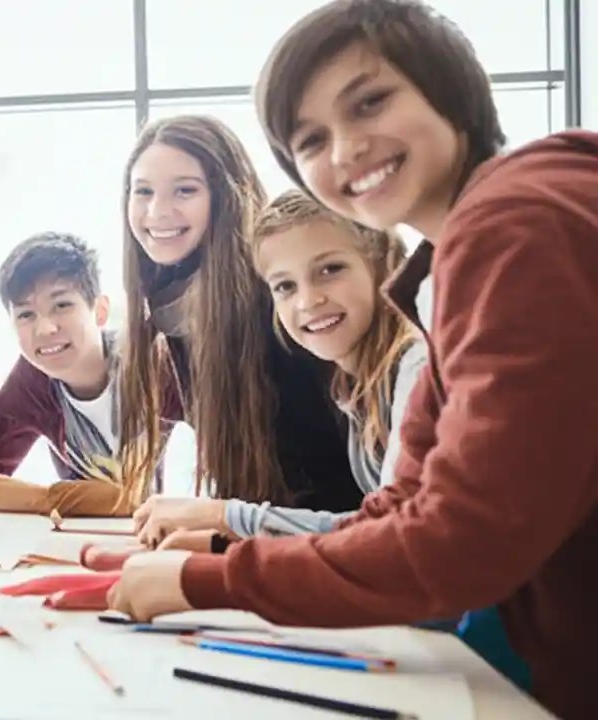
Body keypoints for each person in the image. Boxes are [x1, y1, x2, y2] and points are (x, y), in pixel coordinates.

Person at [108, 3, 597, 716]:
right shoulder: (447, 269)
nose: (344, 152)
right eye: (310, 140)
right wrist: (217, 552)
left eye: (370, 103)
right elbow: (400, 507)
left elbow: (459, 541)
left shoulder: (517, 224)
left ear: (451, 90)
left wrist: (210, 579)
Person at [133, 189, 423, 547]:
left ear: (380, 265)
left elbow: (393, 535)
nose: (308, 300)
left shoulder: (416, 368)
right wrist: (220, 543)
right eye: (285, 286)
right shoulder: (355, 388)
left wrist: (224, 517)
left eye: (330, 269)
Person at [116, 114, 359, 522]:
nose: (157, 211)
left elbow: (330, 486)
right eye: (143, 191)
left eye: (185, 190)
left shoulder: (277, 304)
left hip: (334, 546)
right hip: (278, 542)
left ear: (226, 196)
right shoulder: (173, 304)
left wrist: (219, 526)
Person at [0, 231, 181, 516]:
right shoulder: (33, 381)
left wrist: (53, 498)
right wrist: (56, 499)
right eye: (26, 315)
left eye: (61, 306)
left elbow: (232, 453)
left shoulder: (150, 359)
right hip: (77, 540)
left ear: (99, 310)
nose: (45, 329)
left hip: (159, 538)